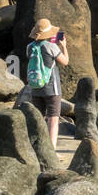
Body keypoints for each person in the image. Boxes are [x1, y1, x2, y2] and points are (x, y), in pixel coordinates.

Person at [26, 18, 68, 150]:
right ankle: (51, 151)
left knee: (39, 119)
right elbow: (65, 61)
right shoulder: (52, 46)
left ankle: (37, 148)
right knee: (53, 119)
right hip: (51, 88)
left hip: (35, 87)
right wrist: (64, 46)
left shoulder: (29, 47)